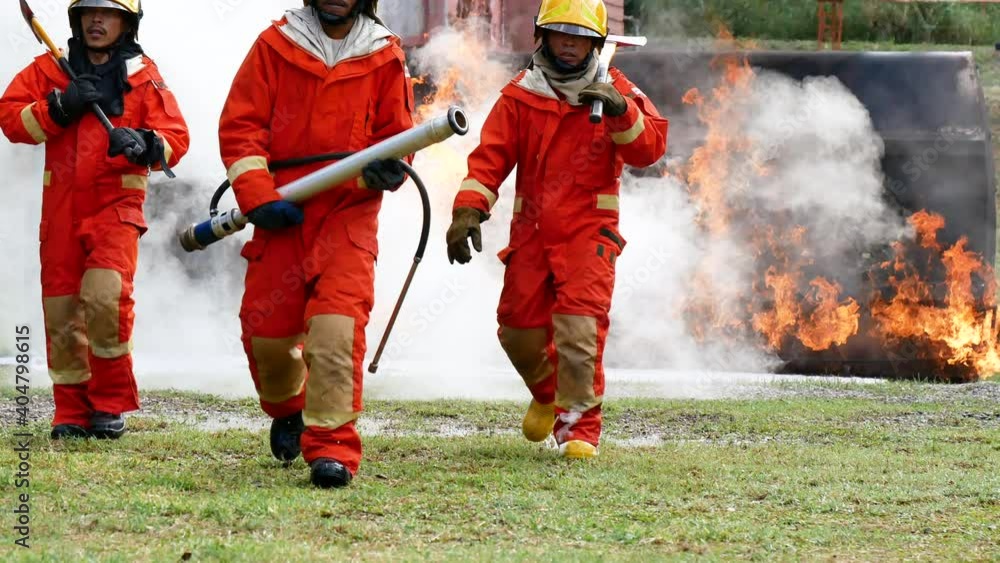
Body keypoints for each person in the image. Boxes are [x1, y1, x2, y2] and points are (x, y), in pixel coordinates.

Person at [446, 0, 668, 459]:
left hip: (590, 234)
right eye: (560, 33)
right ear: (541, 36)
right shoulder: (520, 95)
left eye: (580, 35)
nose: (569, 43)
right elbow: (489, 160)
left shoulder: (617, 89)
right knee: (516, 330)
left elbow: (650, 150)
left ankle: (579, 432)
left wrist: (621, 111)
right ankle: (548, 394)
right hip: (531, 235)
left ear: (596, 43)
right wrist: (468, 209)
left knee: (580, 330)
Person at [219, 0, 413, 488]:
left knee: (336, 331)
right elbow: (242, 127)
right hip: (283, 213)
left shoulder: (384, 54)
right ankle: (289, 410)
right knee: (266, 336)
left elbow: (397, 137)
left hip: (347, 218)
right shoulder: (275, 45)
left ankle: (332, 448)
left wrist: (388, 171)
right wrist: (258, 197)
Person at [0, 0, 189, 440]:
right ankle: (70, 410)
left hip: (116, 208)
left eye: (108, 14)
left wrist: (144, 143)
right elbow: (10, 119)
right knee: (62, 310)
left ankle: (109, 404)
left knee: (106, 300)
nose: (97, 21)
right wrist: (59, 107)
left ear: (127, 23)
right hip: (61, 210)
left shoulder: (144, 75)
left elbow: (176, 138)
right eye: (89, 13)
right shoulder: (50, 70)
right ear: (76, 19)